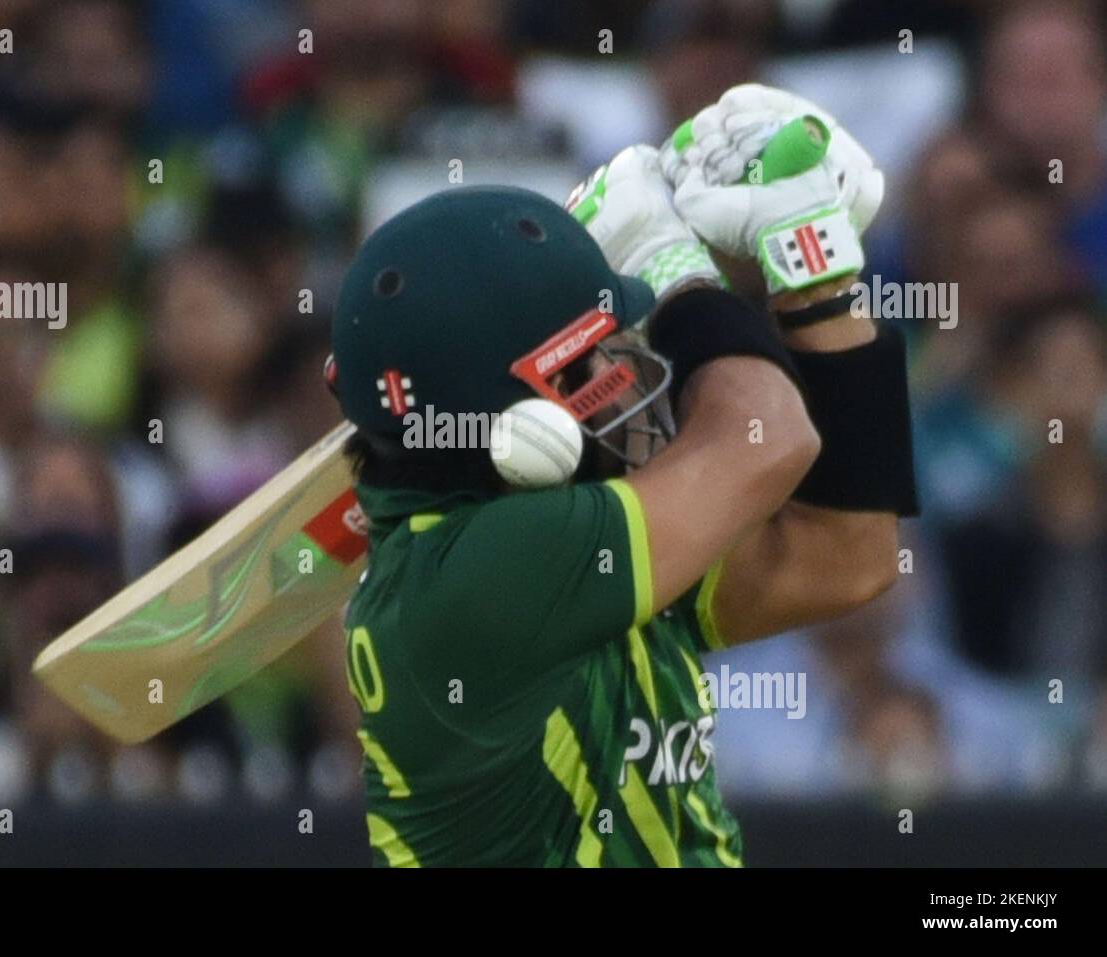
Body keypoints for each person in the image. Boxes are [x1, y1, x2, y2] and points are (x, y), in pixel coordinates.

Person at [328, 86, 917, 866]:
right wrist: (673, 268)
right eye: (587, 362)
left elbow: (847, 557)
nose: (627, 370)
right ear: (520, 432)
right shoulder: (489, 572)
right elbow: (763, 434)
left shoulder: (572, 537)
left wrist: (816, 277)